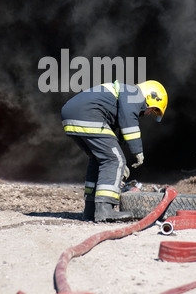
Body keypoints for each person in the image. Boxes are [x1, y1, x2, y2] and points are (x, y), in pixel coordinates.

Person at [61, 80, 168, 222]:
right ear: (150, 97)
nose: (149, 113)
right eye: (153, 109)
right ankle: (105, 209)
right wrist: (137, 151)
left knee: (99, 159)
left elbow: (119, 131)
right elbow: (129, 121)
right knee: (114, 160)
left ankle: (90, 211)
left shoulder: (123, 95)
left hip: (70, 114)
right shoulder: (134, 94)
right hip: (88, 115)